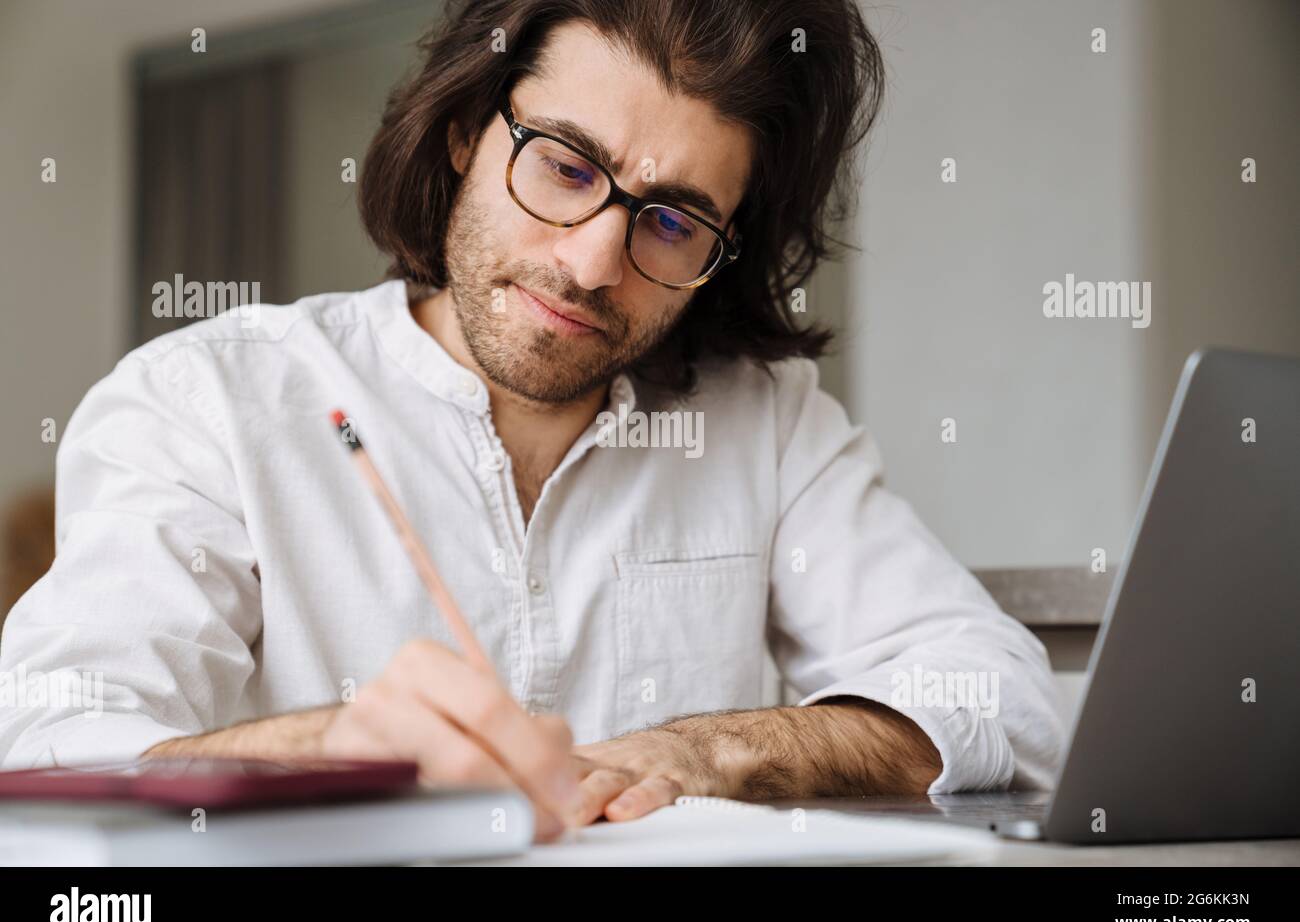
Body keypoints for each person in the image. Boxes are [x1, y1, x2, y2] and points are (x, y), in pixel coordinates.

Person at [0, 0, 1061, 839]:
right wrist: (328, 749)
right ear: (466, 129)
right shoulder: (208, 402)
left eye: (673, 219)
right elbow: (49, 760)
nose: (591, 261)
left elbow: (1001, 701)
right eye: (564, 164)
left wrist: (711, 753)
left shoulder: (766, 424)